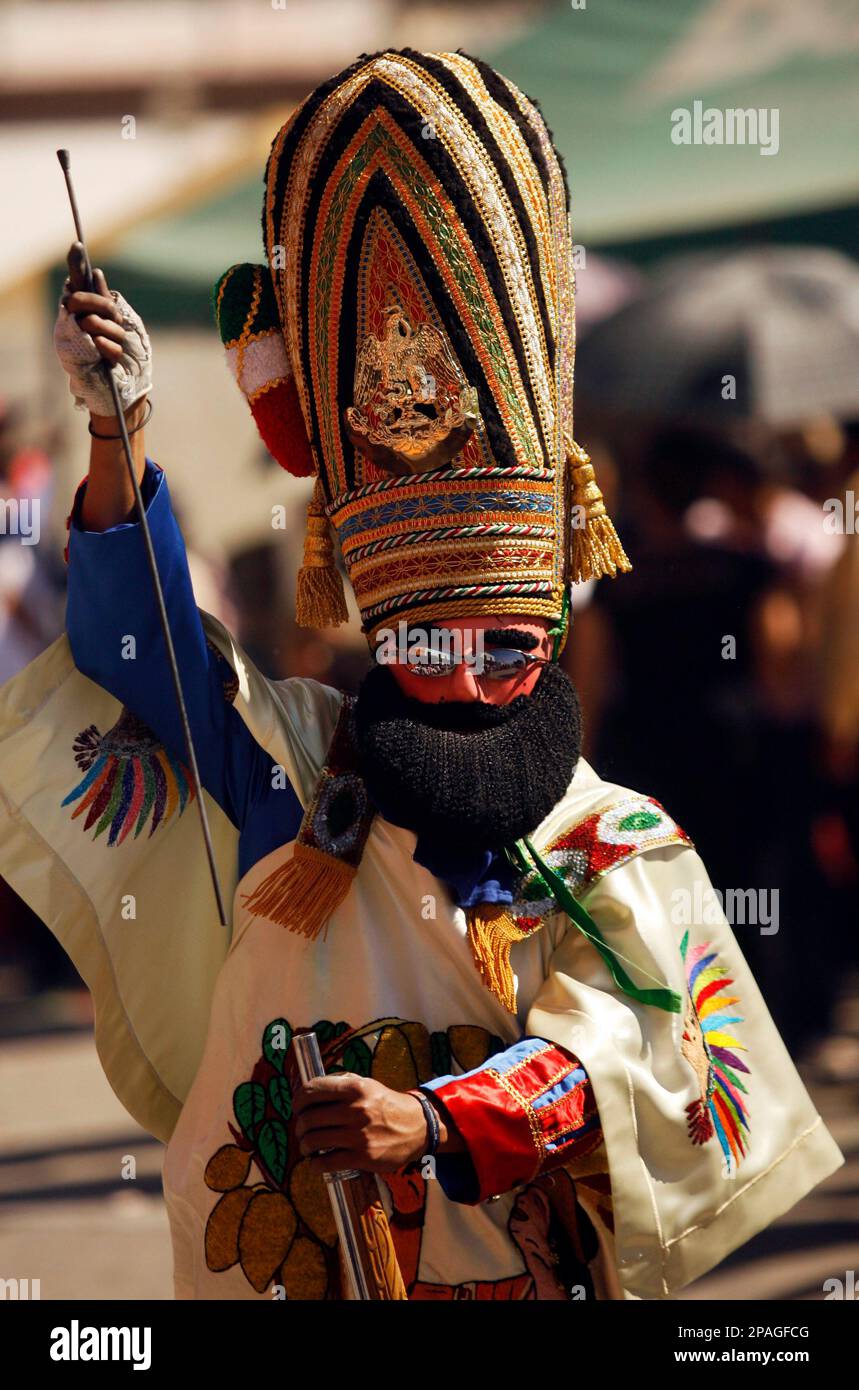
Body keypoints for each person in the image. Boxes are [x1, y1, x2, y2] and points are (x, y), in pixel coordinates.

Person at [0, 50, 841, 1301]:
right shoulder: (293, 778)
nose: (457, 683)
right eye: (420, 646)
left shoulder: (610, 840)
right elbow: (144, 656)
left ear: (552, 642)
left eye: (505, 649)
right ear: (368, 639)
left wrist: (438, 1123)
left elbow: (645, 1045)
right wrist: (120, 436)